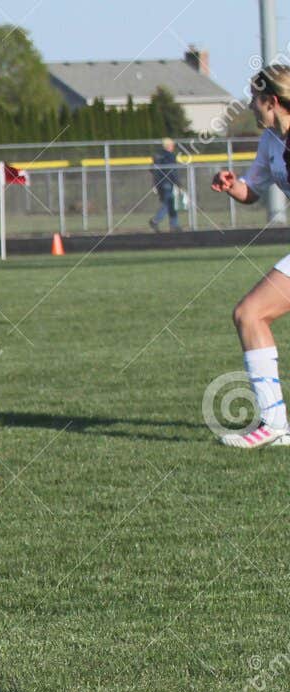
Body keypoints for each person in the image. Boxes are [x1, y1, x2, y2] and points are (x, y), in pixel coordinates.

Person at [211, 64, 290, 449]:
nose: (251, 107)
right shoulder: (270, 142)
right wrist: (233, 186)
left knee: (250, 313)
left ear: (271, 101)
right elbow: (253, 191)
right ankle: (275, 425)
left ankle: (274, 424)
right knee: (250, 314)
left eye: (255, 100)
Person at [150, 138, 181, 232]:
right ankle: (155, 220)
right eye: (172, 145)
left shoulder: (157, 155)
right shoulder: (170, 156)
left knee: (171, 204)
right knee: (168, 204)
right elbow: (172, 172)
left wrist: (155, 183)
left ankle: (174, 225)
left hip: (159, 183)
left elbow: (151, 169)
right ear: (168, 146)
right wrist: (178, 183)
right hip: (167, 183)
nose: (173, 147)